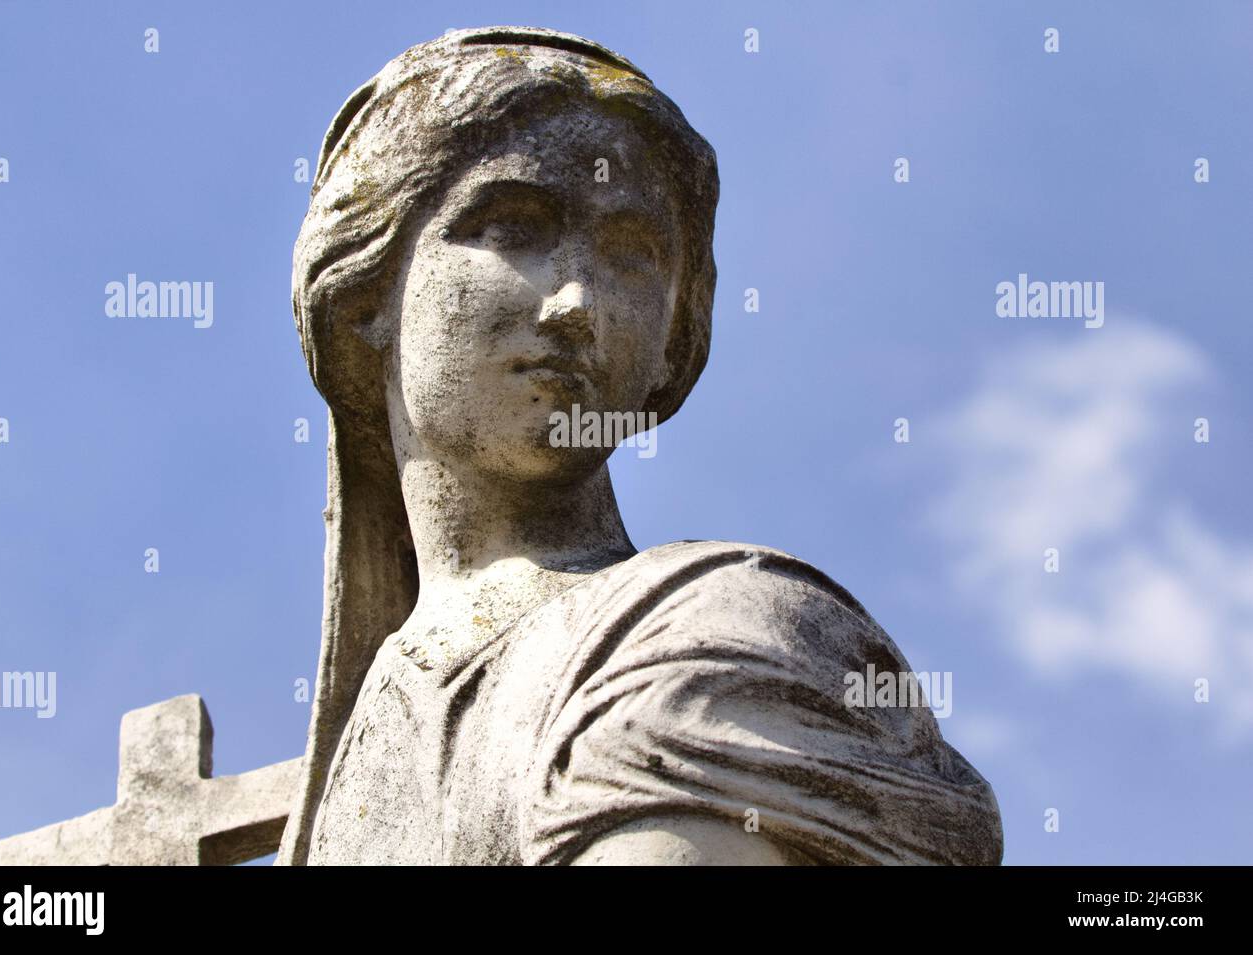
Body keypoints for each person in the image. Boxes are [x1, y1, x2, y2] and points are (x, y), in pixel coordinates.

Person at [276, 26, 1002, 866]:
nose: (578, 301)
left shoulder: (720, 637)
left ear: (671, 344)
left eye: (633, 254)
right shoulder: (361, 747)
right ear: (364, 289)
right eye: (513, 227)